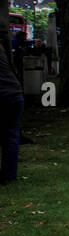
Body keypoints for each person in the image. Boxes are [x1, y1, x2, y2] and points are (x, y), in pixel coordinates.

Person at [0, 35, 22, 184]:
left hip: (3, 94)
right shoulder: (2, 48)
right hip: (14, 92)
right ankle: (9, 174)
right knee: (11, 136)